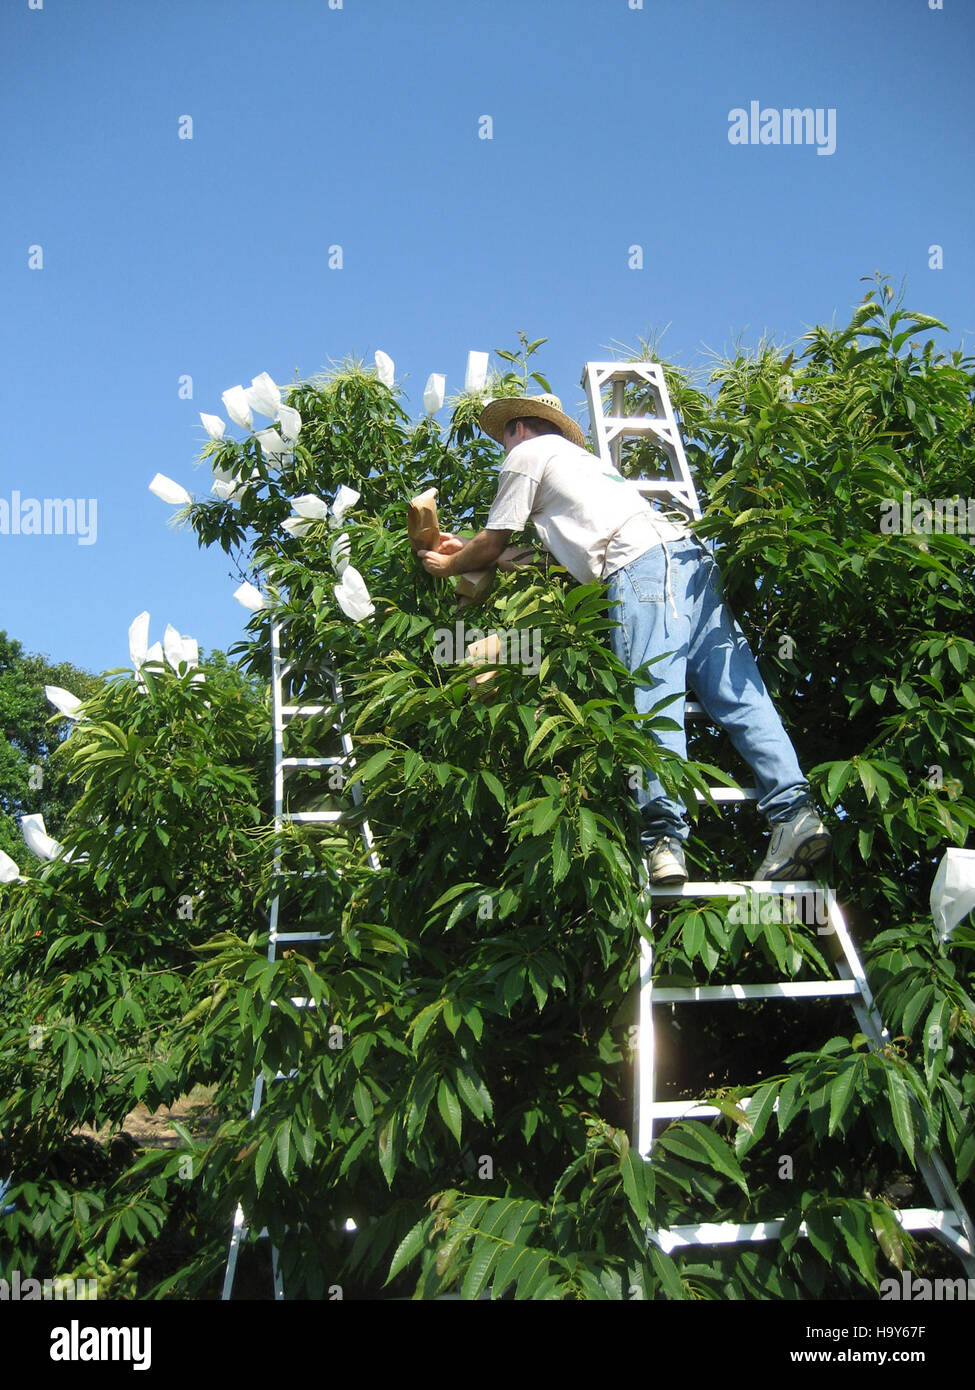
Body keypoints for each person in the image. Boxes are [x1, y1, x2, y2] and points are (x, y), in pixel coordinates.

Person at [417, 392, 831, 885]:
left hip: (640, 569)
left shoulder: (525, 454)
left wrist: (449, 564)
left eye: (504, 437)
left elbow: (495, 541)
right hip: (689, 562)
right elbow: (544, 560)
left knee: (654, 700)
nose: (503, 448)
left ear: (519, 428)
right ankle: (794, 813)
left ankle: (664, 839)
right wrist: (469, 549)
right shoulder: (586, 468)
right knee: (741, 697)